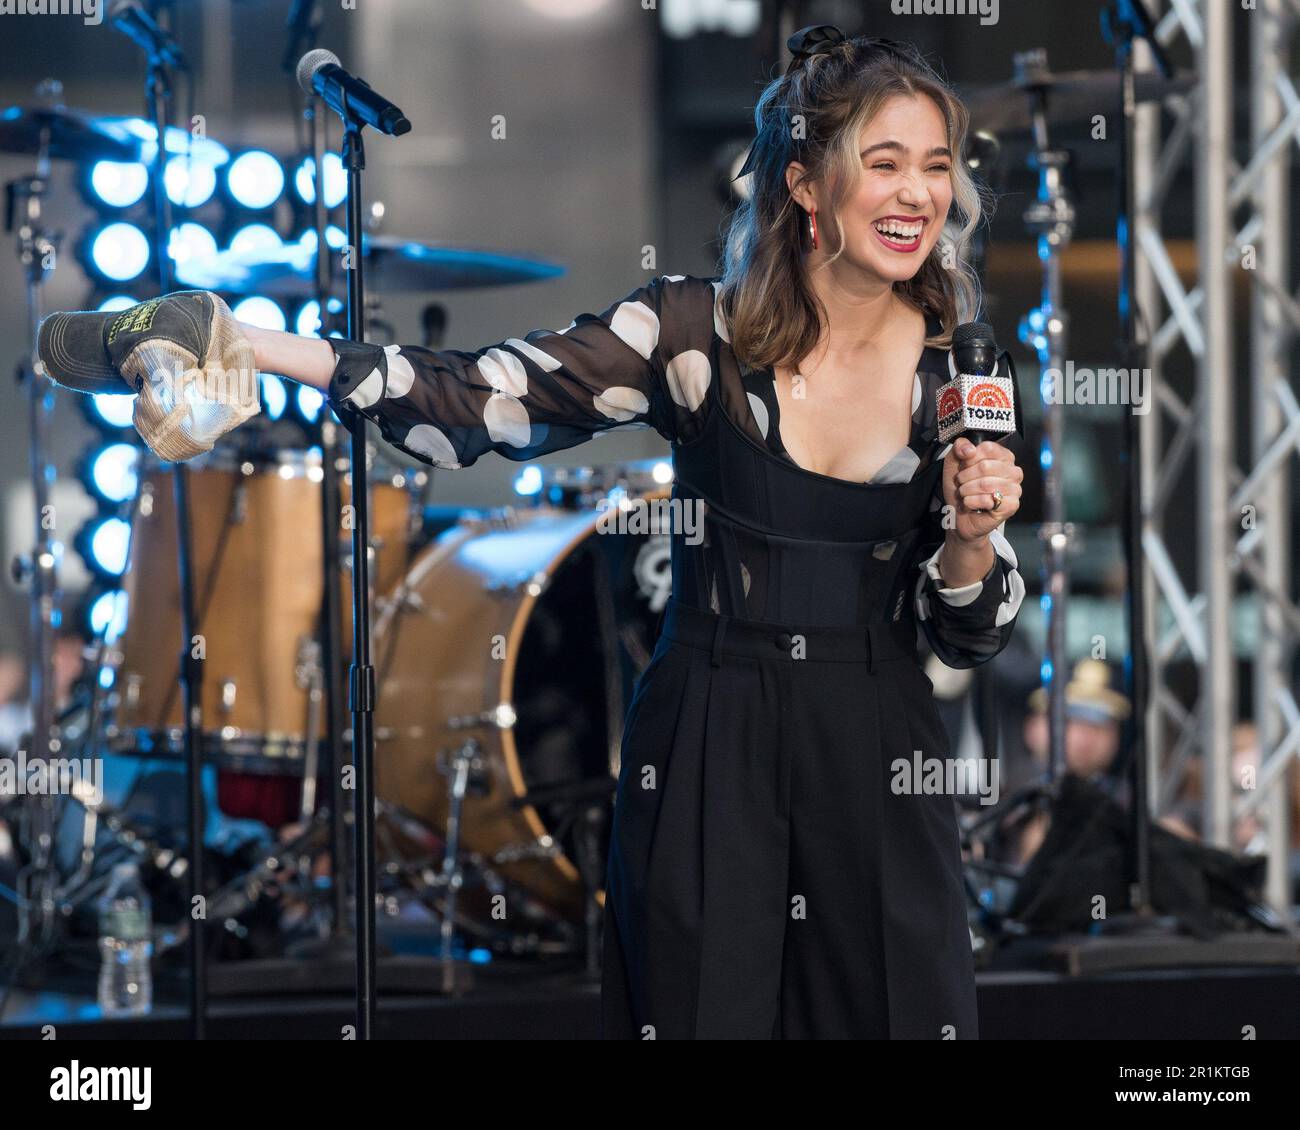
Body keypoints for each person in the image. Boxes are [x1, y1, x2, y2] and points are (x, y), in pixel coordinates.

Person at [37, 27, 1025, 1038]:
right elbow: (473, 399)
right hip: (708, 731)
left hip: (875, 740)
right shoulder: (689, 332)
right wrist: (244, 340)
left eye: (937, 166)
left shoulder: (965, 371)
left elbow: (968, 628)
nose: (917, 193)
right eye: (885, 161)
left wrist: (975, 538)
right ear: (809, 185)